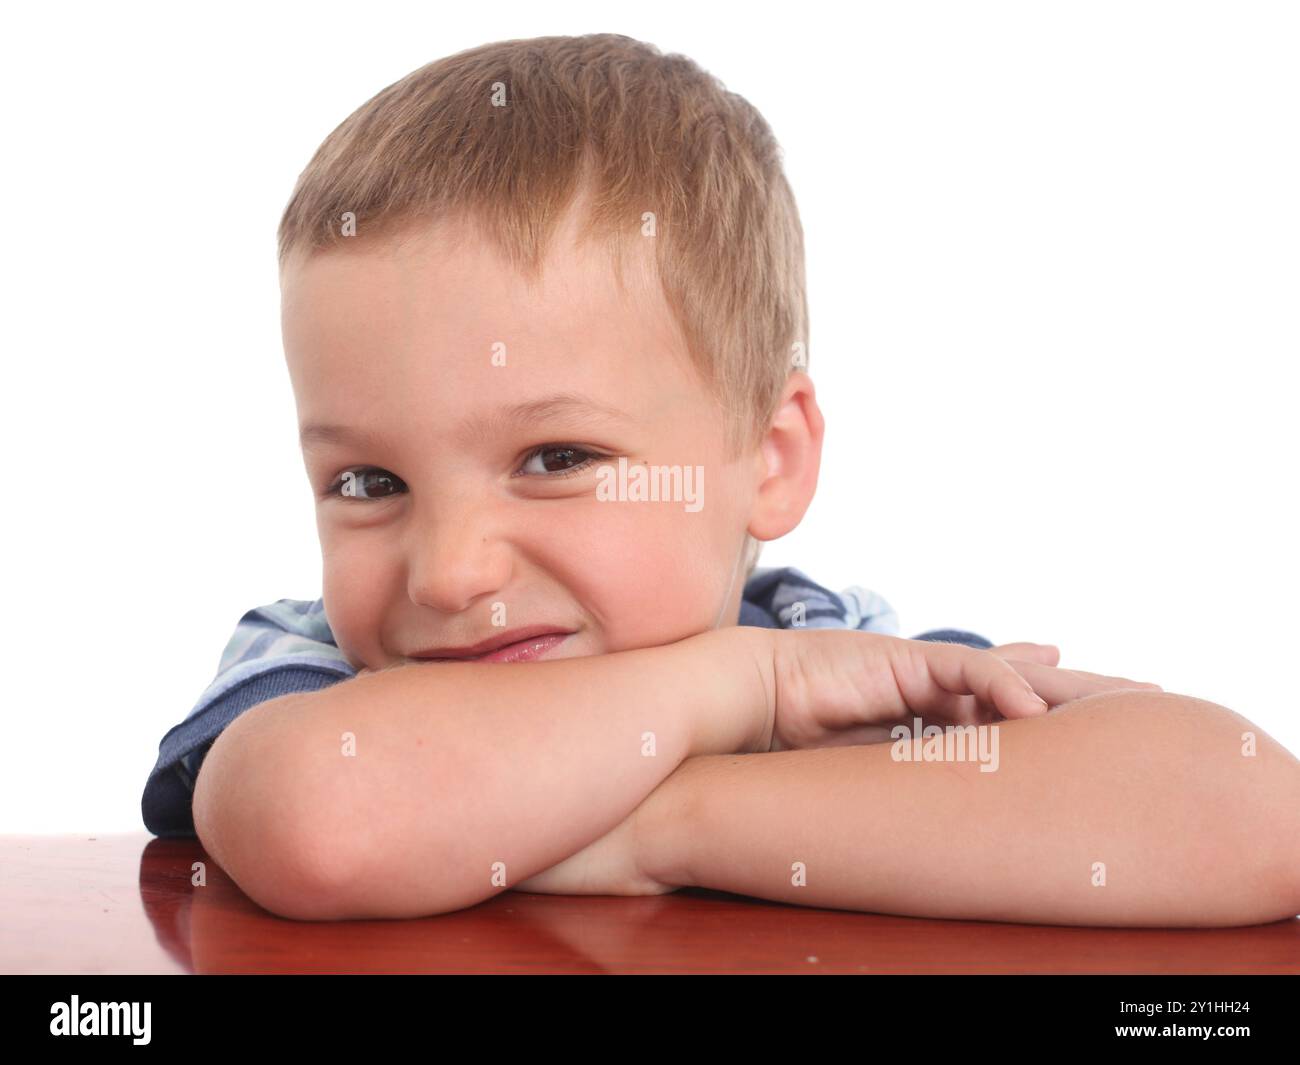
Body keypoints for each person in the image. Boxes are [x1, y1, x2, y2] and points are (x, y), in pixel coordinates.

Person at [144, 33, 1300, 926]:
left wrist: (662, 825)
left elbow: (1249, 810)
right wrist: (738, 689)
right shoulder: (309, 673)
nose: (448, 574)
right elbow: (327, 825)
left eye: (556, 459)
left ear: (772, 459)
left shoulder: (829, 648)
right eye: (368, 482)